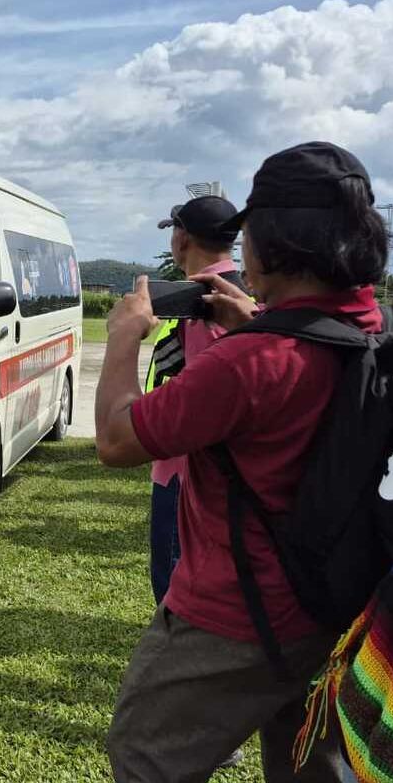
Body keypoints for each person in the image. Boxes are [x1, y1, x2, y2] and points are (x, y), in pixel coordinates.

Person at [97, 141, 388, 782]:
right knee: (299, 754)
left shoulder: (249, 361)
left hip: (235, 611)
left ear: (274, 241)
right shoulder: (371, 327)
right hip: (335, 604)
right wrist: (256, 317)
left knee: (143, 753)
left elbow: (117, 441)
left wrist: (124, 335)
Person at [145, 195, 243, 605]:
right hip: (221, 477)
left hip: (186, 474)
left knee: (173, 586)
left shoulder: (205, 303)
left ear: (182, 238)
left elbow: (205, 401)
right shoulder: (242, 293)